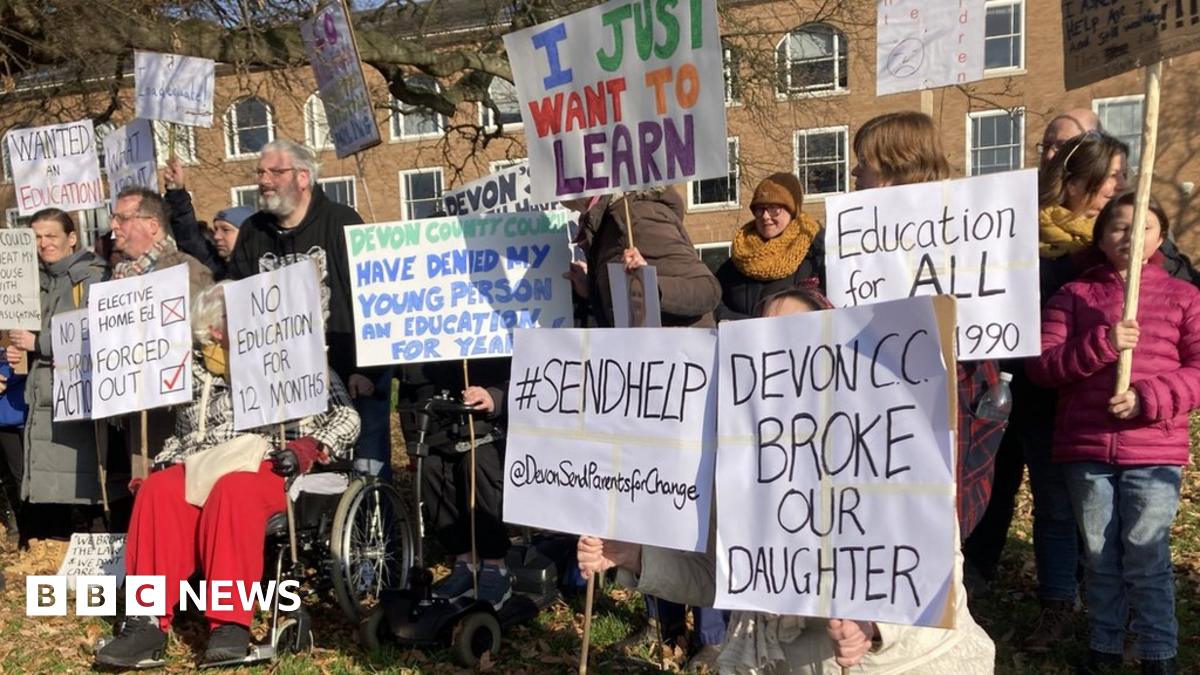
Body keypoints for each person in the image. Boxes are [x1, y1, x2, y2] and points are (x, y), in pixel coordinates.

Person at [578, 286, 996, 675]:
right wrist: (636, 556)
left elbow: (937, 571)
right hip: (775, 660)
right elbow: (716, 576)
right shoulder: (742, 457)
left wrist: (875, 626)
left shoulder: (888, 442)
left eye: (798, 337)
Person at [94, 282, 361, 669]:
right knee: (158, 491)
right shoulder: (198, 374)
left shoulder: (296, 358)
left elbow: (345, 416)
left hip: (272, 462)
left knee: (233, 491)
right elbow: (187, 438)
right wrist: (164, 463)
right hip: (209, 462)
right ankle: (145, 621)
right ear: (214, 330)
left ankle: (230, 623)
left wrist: (305, 447)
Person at [1028, 192, 1194, 675]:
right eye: (1118, 226)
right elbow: (1044, 365)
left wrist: (1150, 398)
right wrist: (1103, 342)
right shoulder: (1074, 297)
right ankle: (1103, 646)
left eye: (1141, 226)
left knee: (1146, 552)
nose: (1129, 235)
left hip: (1154, 449)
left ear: (1159, 237)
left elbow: (1198, 369)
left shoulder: (1183, 297)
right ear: (1100, 237)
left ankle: (1157, 652)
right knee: (1099, 554)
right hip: (1087, 448)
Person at [561, 186, 721, 666]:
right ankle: (664, 623)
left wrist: (651, 280)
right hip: (644, 396)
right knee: (652, 507)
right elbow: (629, 318)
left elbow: (706, 290)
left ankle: (713, 637)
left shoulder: (638, 213)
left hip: (678, 395)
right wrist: (595, 293)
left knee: (694, 514)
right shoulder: (598, 224)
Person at [849, 111, 1007, 545]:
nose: (855, 171)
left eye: (864, 160)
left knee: (936, 520)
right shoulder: (857, 239)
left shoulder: (960, 229)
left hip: (945, 390)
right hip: (876, 394)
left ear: (894, 163)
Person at [225, 140, 392, 479]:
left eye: (275, 171)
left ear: (303, 177)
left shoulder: (342, 222)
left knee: (367, 474)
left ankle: (381, 531)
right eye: (260, 172)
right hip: (281, 386)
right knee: (294, 480)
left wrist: (369, 371)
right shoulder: (252, 234)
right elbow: (237, 303)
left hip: (351, 376)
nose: (264, 180)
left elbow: (374, 301)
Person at [4, 209, 121, 541]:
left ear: (71, 238)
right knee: (50, 487)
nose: (43, 244)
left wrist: (38, 342)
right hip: (39, 399)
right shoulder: (30, 280)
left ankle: (100, 565)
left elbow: (94, 329)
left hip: (76, 399)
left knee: (86, 488)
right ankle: (55, 561)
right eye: (37, 237)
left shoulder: (95, 277)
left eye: (51, 236)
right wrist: (19, 350)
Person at [109, 187, 214, 473]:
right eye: (113, 217)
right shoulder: (117, 278)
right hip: (136, 408)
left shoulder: (187, 271)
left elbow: (204, 338)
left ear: (152, 225)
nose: (113, 226)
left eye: (123, 218)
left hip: (175, 414)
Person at [398, 359, 512, 608]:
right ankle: (465, 562)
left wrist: (496, 396)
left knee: (477, 465)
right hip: (439, 422)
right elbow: (409, 388)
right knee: (431, 470)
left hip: (491, 423)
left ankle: (495, 566)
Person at [563, 187, 722, 329]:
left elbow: (708, 290)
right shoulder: (607, 222)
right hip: (649, 356)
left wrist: (651, 286)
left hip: (679, 356)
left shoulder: (639, 217)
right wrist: (590, 291)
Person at [713, 172, 825, 322]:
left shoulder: (817, 254)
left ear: (792, 211)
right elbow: (714, 301)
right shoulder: (738, 260)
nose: (765, 216)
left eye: (774, 208)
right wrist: (738, 323)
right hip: (745, 341)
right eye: (760, 209)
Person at [0, 342, 26, 546]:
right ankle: (20, 524)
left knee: (27, 476)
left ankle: (33, 529)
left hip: (24, 412)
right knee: (13, 476)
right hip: (5, 419)